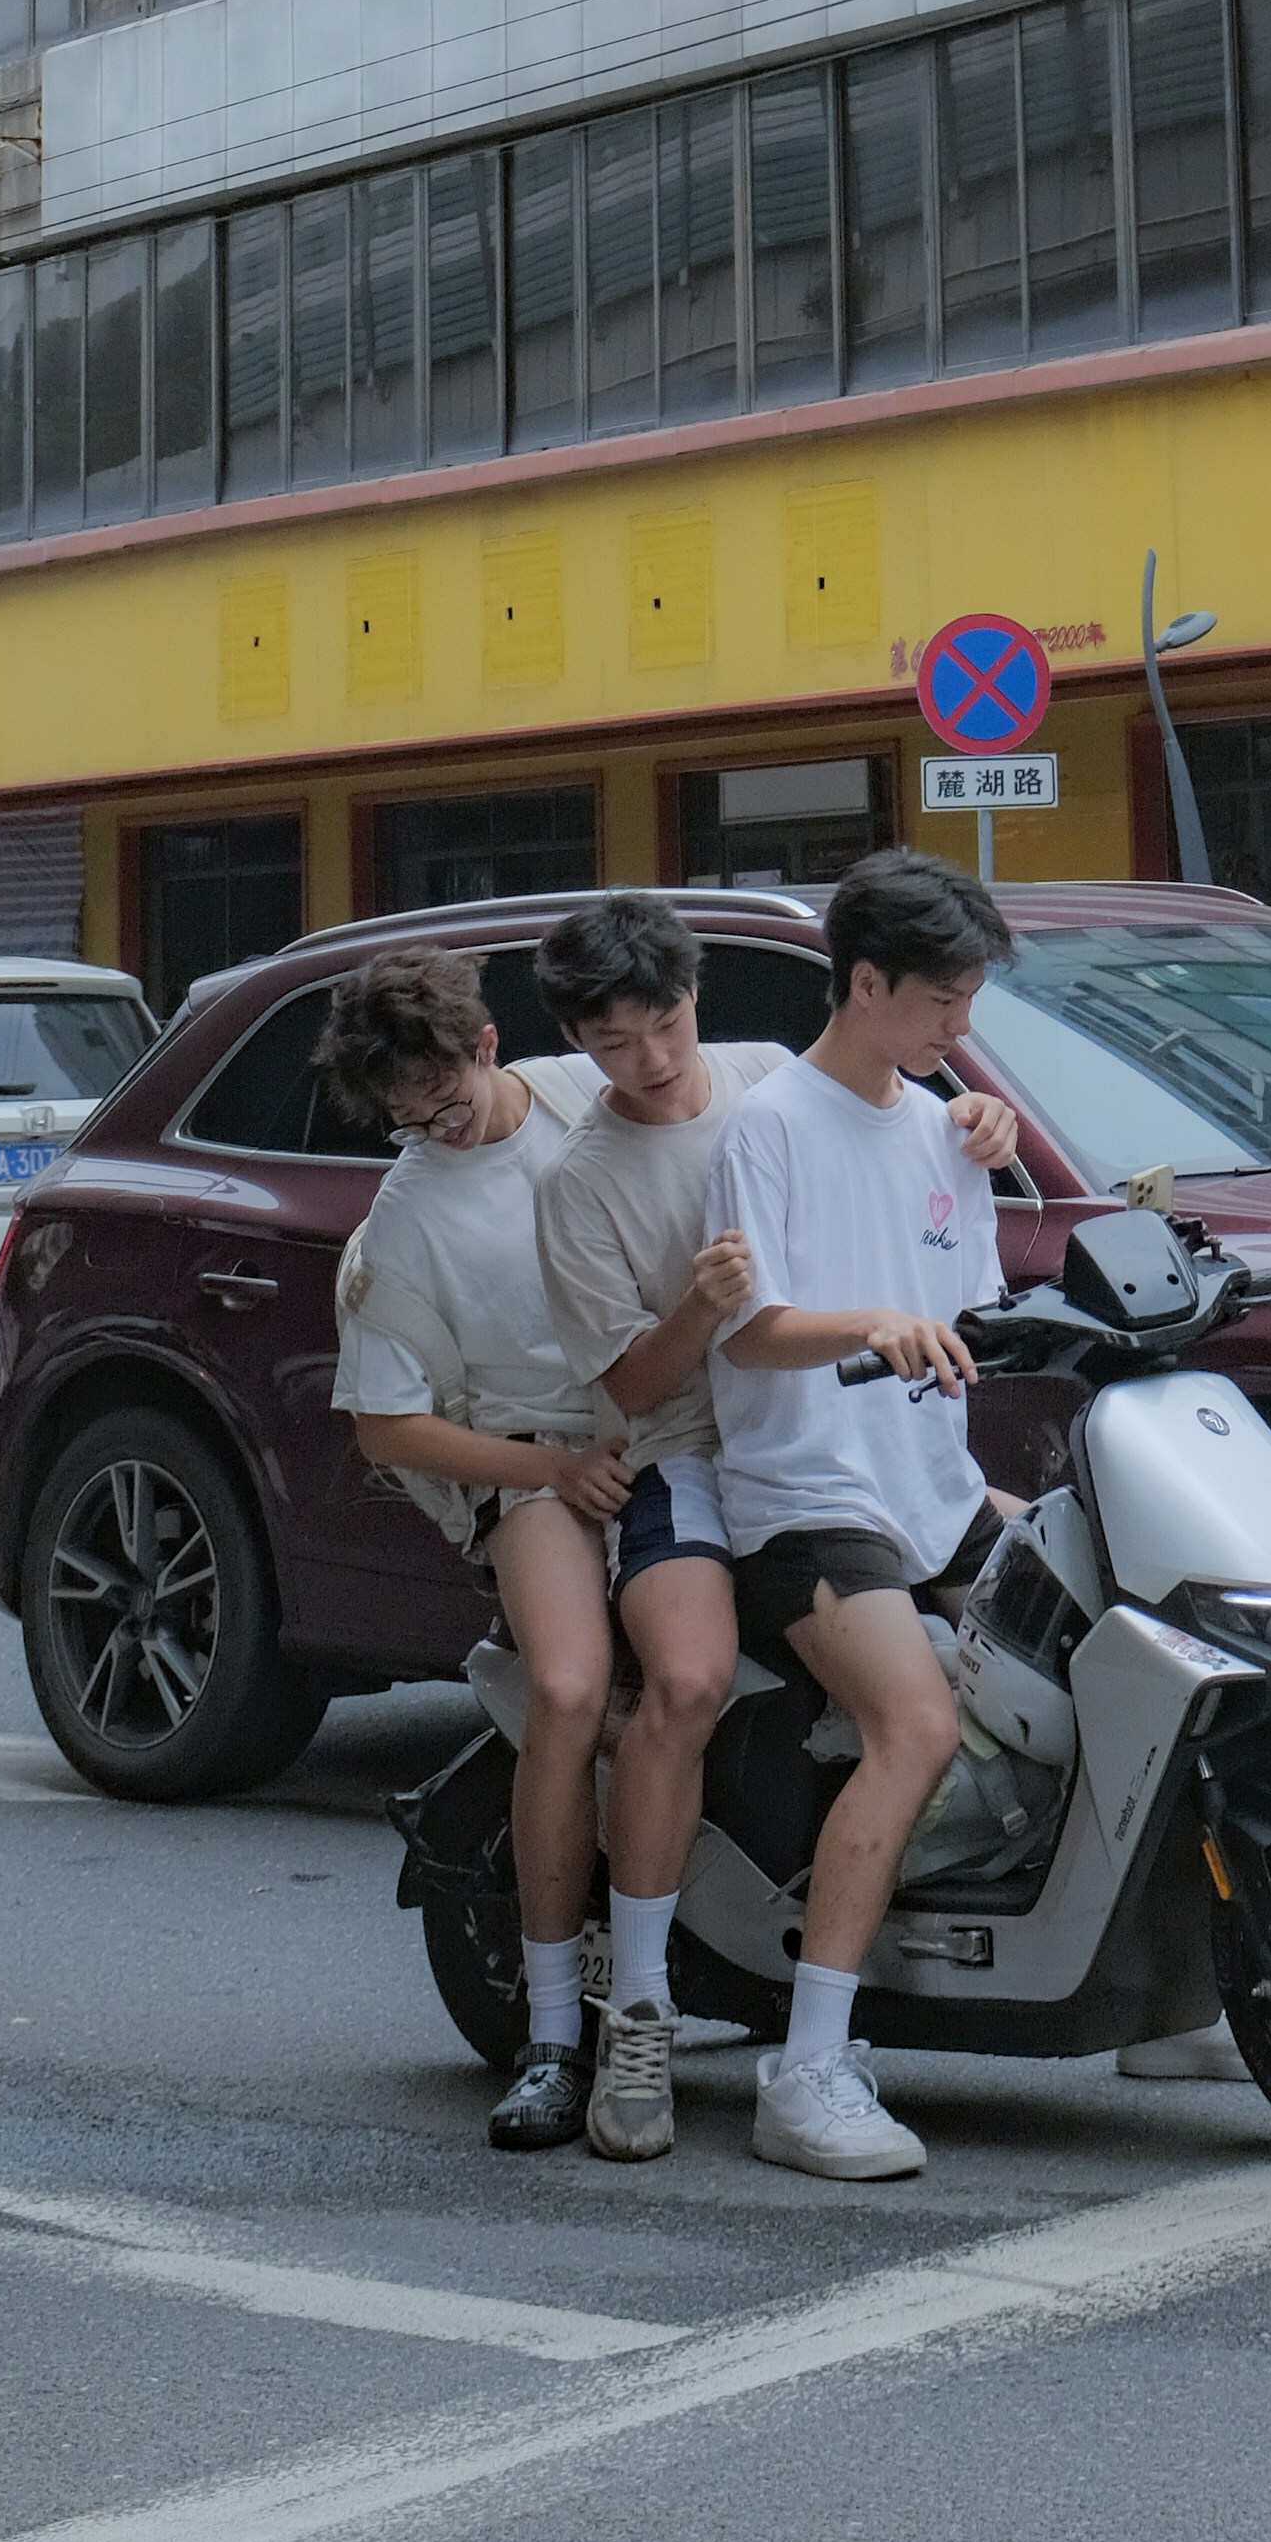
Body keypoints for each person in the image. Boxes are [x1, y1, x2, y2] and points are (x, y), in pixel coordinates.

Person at [708, 850, 1041, 2183]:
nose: (961, 1027)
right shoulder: (769, 1124)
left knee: (1126, 1614)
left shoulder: (944, 1121)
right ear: (864, 980)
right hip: (805, 1497)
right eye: (943, 1001)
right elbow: (755, 1327)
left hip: (932, 1489)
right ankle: (807, 2067)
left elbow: (965, 1305)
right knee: (917, 1721)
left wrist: (992, 1164)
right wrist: (874, 1322)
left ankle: (1171, 1980)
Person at [323, 947, 622, 2155]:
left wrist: (962, 1116)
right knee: (567, 1686)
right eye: (404, 1123)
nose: (432, 1136)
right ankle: (555, 2032)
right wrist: (549, 1474)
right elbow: (386, 1424)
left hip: (670, 1424)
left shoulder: (590, 1097)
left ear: (489, 1045)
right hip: (533, 1461)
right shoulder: (401, 1227)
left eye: (443, 1107)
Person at [526, 890, 785, 2164]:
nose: (654, 1060)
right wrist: (698, 1304)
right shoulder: (579, 1186)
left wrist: (970, 1119)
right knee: (685, 1680)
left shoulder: (771, 1078)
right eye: (616, 1042)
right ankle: (635, 2005)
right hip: (687, 1459)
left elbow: (899, 1152)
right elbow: (630, 1390)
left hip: (827, 1440)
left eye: (668, 1022)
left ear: (698, 997)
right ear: (580, 1041)